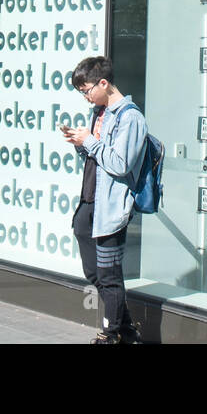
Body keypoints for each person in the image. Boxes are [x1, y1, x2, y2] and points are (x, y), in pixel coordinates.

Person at [63, 56, 148, 344]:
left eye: (86, 90)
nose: (86, 98)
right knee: (94, 271)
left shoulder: (131, 117)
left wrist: (89, 141)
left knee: (109, 274)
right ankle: (126, 329)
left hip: (111, 208)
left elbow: (120, 163)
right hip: (89, 202)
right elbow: (96, 159)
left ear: (103, 83)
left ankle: (111, 335)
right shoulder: (100, 113)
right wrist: (80, 143)